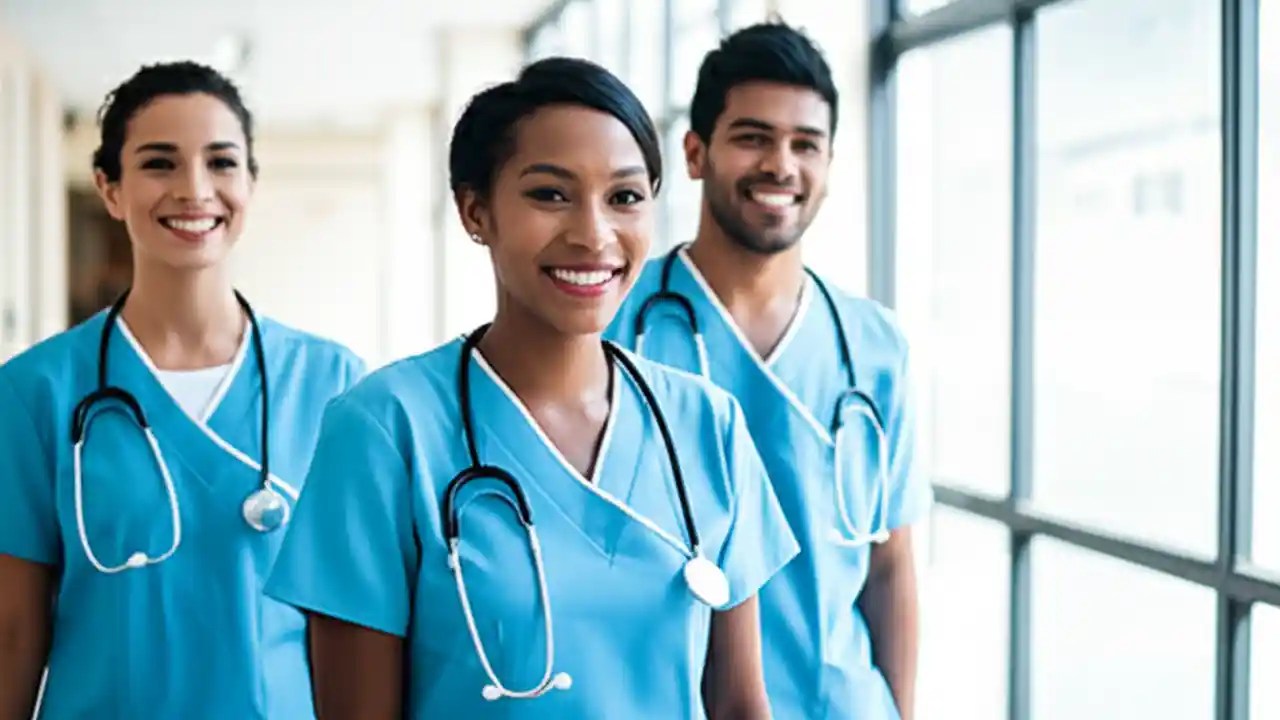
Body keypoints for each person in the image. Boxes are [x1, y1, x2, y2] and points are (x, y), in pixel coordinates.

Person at [264, 57, 797, 720]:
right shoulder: (384, 430)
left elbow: (742, 707)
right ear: (475, 210)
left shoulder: (707, 425)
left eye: (625, 198)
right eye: (550, 194)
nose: (593, 234)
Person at [0, 61, 365, 720]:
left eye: (222, 163)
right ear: (110, 188)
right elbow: (14, 629)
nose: (195, 189)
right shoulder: (35, 392)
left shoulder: (332, 384)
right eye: (160, 164)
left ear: (251, 182)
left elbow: (356, 625)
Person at [606, 22, 933, 720]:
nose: (781, 165)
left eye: (805, 144)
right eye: (753, 137)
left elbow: (890, 564)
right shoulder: (616, 326)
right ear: (695, 154)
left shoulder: (873, 346)